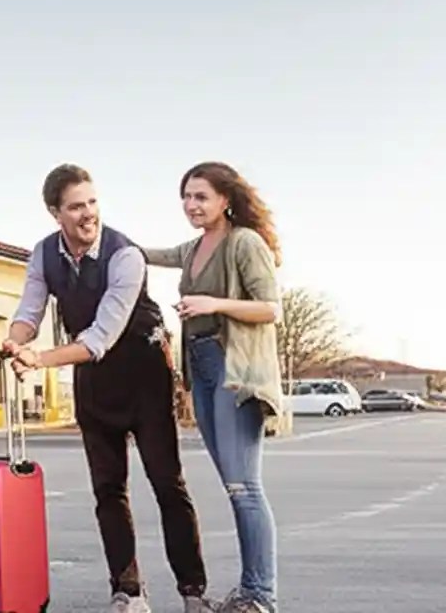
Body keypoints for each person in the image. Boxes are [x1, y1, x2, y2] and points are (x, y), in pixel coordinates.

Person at [3, 164, 214, 613]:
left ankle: (192, 593)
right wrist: (14, 342)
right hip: (94, 380)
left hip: (143, 373)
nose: (88, 214)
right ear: (54, 213)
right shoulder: (42, 255)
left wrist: (39, 360)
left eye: (93, 203)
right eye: (76, 206)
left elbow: (101, 336)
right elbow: (30, 311)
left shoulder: (125, 255)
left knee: (166, 484)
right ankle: (128, 591)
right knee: (108, 489)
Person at [142, 162, 285, 613]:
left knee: (245, 486)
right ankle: (248, 591)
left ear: (226, 199)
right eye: (186, 196)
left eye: (201, 196)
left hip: (234, 368)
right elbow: (153, 253)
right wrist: (106, 240)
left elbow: (271, 308)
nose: (191, 205)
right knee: (232, 485)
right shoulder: (193, 248)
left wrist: (212, 303)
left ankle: (260, 595)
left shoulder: (244, 242)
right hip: (201, 368)